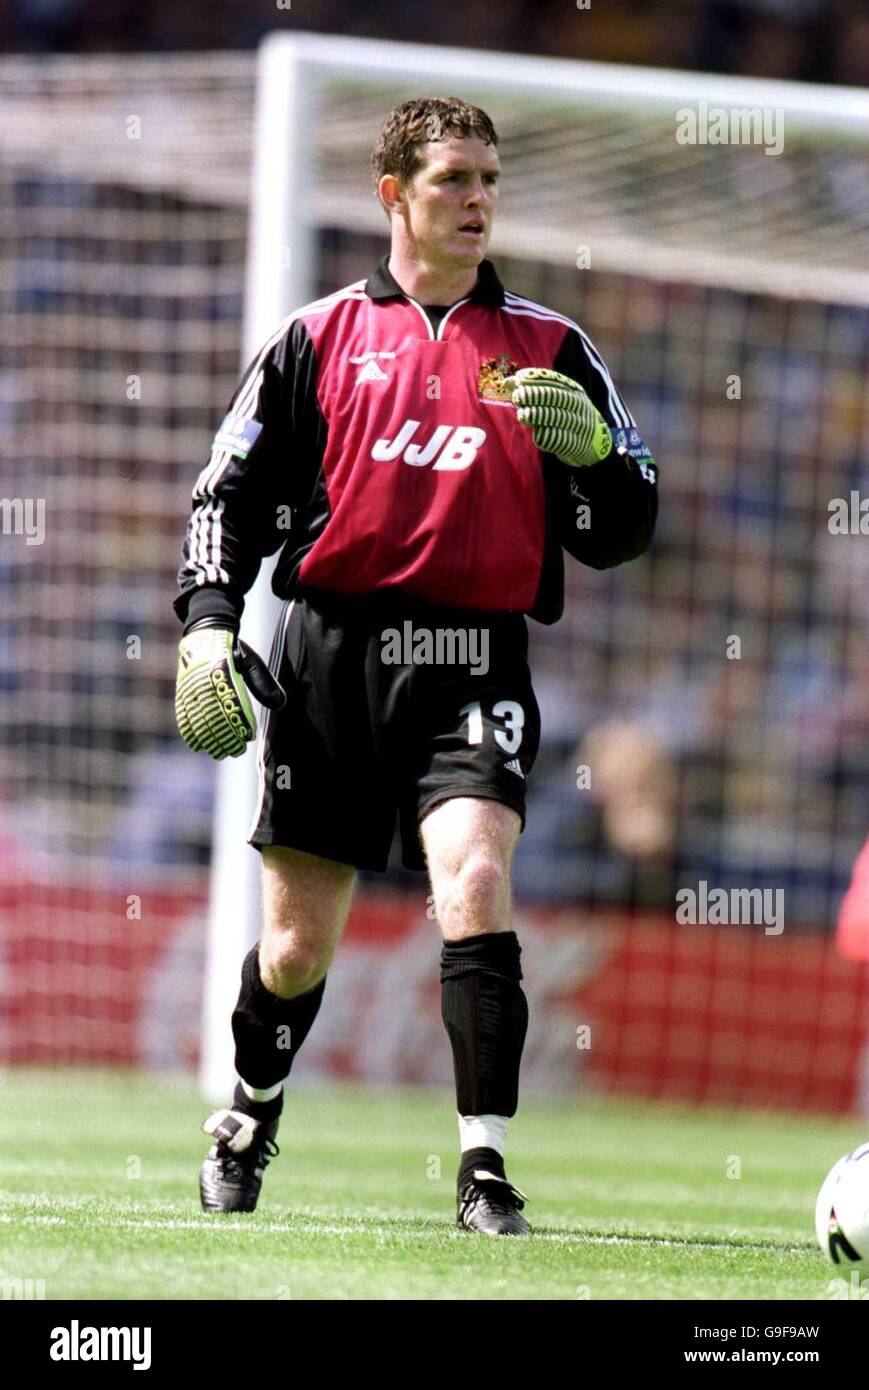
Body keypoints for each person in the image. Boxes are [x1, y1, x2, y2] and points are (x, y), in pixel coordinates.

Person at [173, 97, 658, 1236]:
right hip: (330, 656)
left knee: (476, 883)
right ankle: (248, 1112)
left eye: (489, 179)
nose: (477, 199)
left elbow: (619, 529)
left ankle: (482, 1168)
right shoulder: (317, 338)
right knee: (294, 948)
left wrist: (596, 460)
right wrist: (204, 623)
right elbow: (226, 496)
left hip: (473, 660)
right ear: (394, 195)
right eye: (451, 180)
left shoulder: (551, 348)